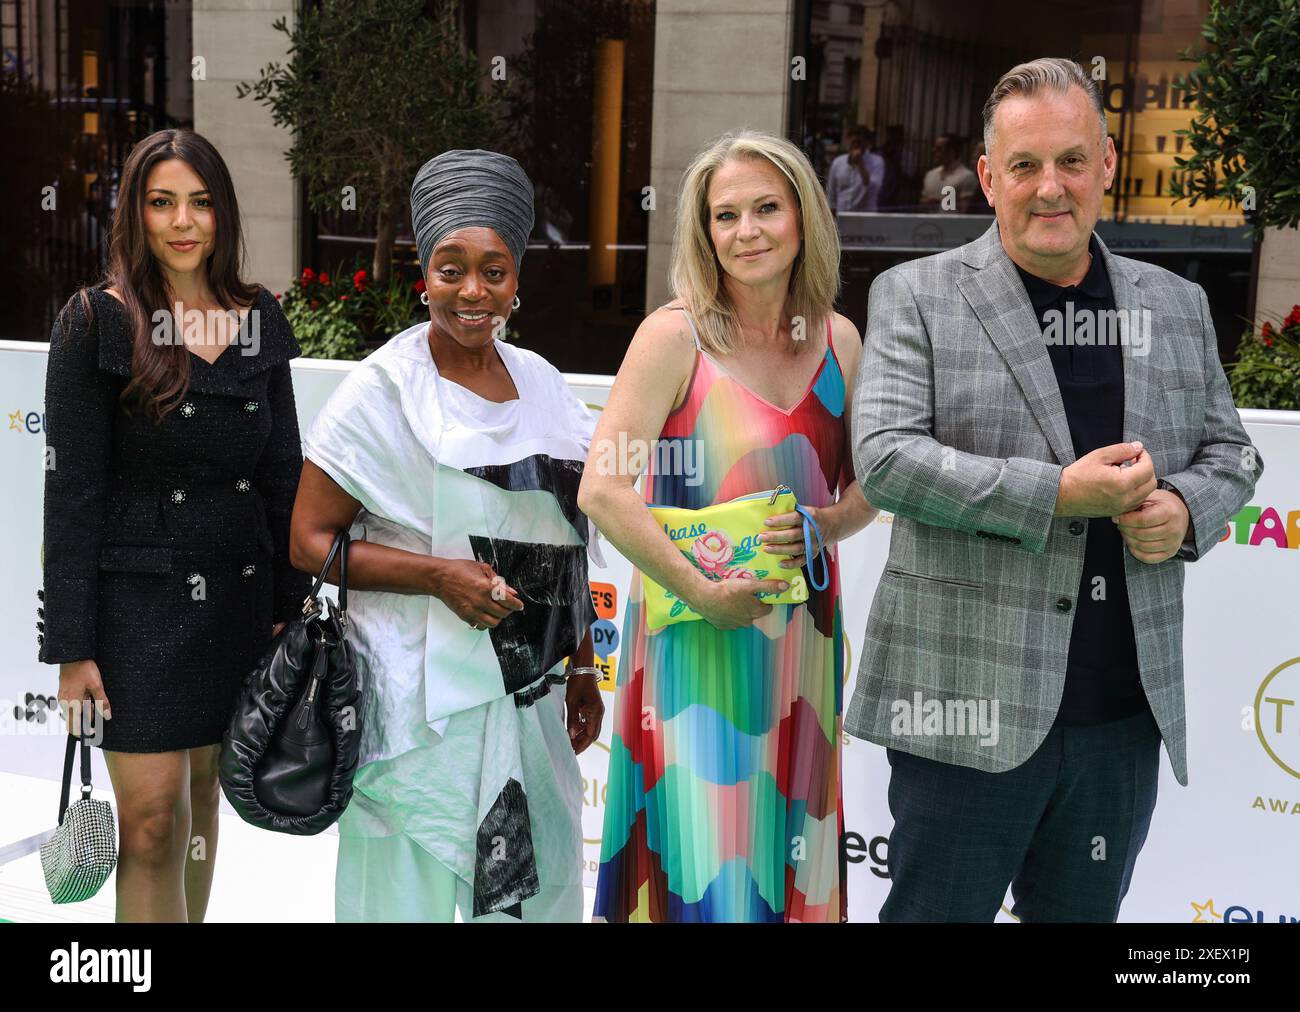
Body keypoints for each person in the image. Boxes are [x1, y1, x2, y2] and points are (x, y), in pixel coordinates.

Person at [846, 57, 1263, 922]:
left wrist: (1186, 510)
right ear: (988, 177)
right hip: (960, 709)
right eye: (1026, 166)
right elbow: (886, 458)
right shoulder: (916, 295)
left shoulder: (1175, 305)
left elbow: (1231, 453)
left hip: (1117, 718)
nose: (1050, 189)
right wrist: (1055, 497)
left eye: (1072, 161)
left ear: (1107, 165)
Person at [291, 149, 603, 923]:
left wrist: (587, 667)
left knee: (537, 890)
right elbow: (307, 541)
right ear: (421, 274)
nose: (473, 291)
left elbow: (570, 540)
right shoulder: (380, 391)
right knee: (405, 898)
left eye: (493, 271)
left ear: (517, 280)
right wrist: (438, 577)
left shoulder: (545, 386)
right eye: (450, 268)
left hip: (528, 700)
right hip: (412, 713)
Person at [582, 130, 878, 922]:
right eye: (726, 215)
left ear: (804, 217)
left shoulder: (840, 341)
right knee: (706, 865)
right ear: (704, 232)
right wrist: (703, 589)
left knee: (790, 861)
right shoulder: (674, 336)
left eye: (767, 209)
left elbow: (872, 486)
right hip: (693, 654)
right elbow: (604, 491)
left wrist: (823, 524)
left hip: (802, 659)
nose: (747, 231)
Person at [41, 128, 310, 922]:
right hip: (137, 616)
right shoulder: (97, 321)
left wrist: (290, 615)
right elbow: (72, 497)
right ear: (136, 214)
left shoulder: (258, 315)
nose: (182, 221)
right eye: (162, 203)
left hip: (240, 604)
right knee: (154, 826)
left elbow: (282, 477)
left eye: (199, 203)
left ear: (223, 214)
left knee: (202, 803)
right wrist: (71, 651)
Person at [825, 125, 886, 213]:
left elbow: (874, 188)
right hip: (842, 217)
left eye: (859, 142)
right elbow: (831, 193)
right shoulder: (838, 163)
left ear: (867, 143)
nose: (856, 145)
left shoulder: (876, 162)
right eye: (853, 141)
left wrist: (860, 164)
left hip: (866, 217)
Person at [919, 133, 979, 213]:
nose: (933, 151)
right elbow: (922, 204)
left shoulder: (966, 177)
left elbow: (965, 210)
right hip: (929, 223)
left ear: (951, 151)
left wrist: (941, 202)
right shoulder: (930, 175)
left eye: (939, 149)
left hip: (953, 224)